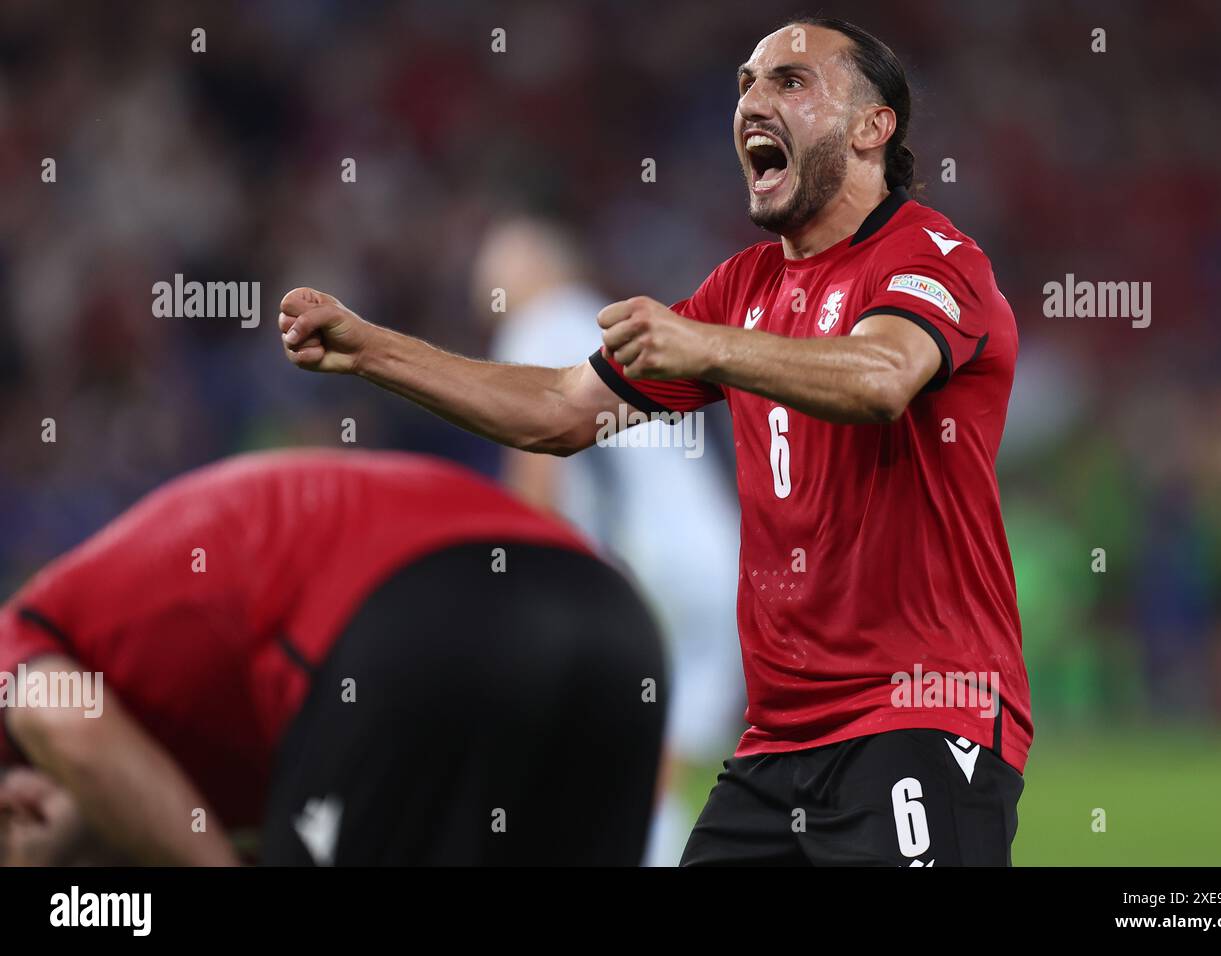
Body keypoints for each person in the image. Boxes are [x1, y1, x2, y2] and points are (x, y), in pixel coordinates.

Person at [278, 17, 1030, 866]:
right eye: (745, 82)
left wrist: (705, 346)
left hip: (922, 716)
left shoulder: (931, 255)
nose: (753, 99)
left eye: (790, 81)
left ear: (871, 126)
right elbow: (562, 409)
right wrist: (373, 349)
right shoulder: (742, 286)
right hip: (778, 743)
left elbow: (883, 377)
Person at [0, 449, 665, 866]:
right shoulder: (197, 738)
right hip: (615, 624)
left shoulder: (27, 637)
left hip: (419, 630)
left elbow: (69, 723)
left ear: (20, 806)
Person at [475, 214, 744, 864]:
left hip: (643, 569)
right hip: (721, 556)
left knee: (613, 753)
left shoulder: (534, 325)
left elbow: (535, 465)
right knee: (665, 758)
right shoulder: (618, 321)